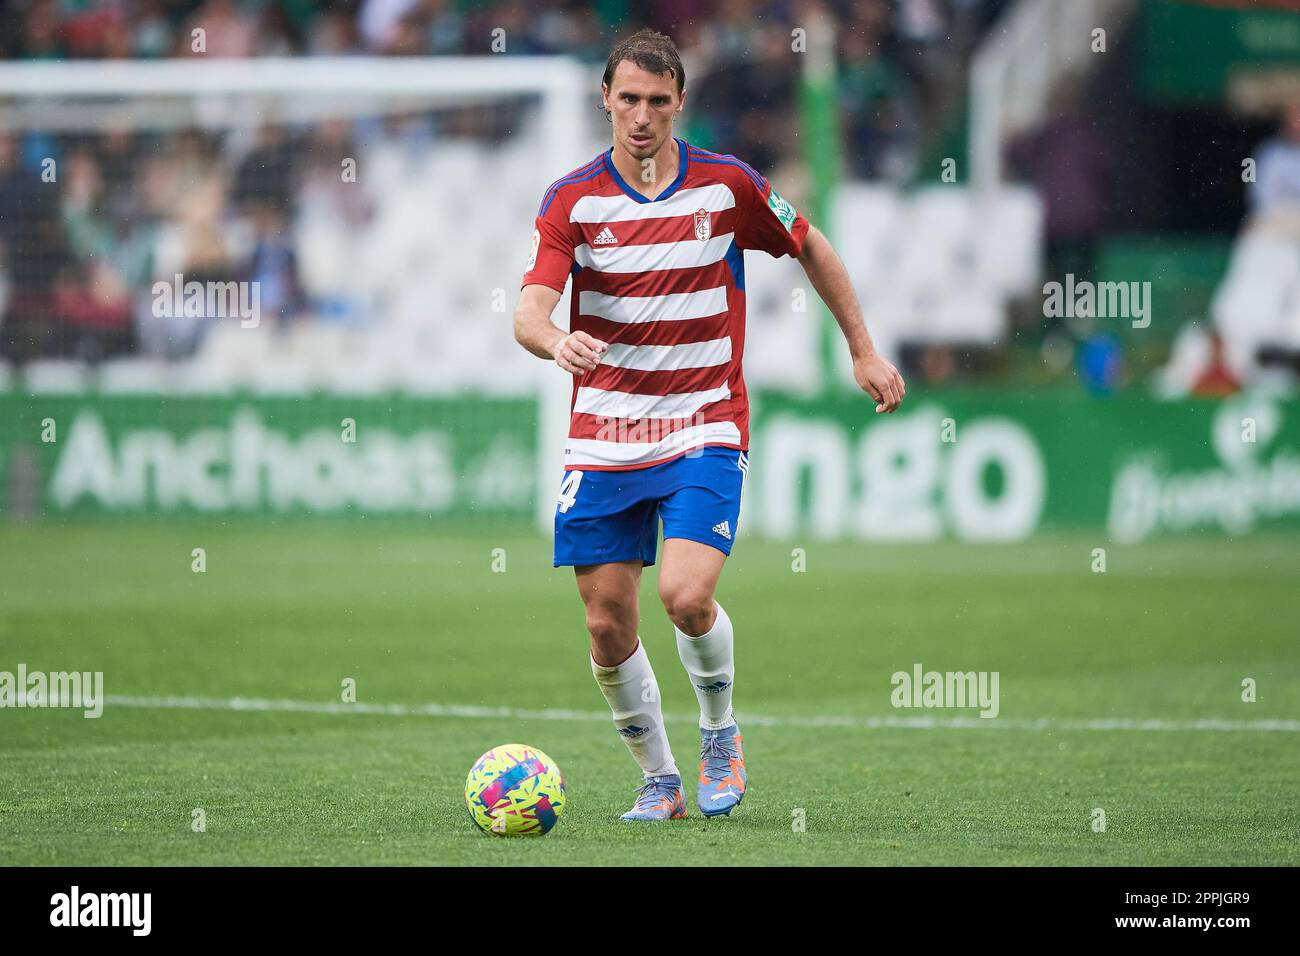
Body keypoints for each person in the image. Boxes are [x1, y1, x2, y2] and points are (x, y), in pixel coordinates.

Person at [513, 28, 905, 822]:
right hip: (605, 433)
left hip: (703, 421)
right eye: (629, 100)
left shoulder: (727, 186)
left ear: (680, 104)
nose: (643, 117)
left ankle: (720, 734)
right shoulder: (571, 200)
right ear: (606, 100)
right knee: (603, 623)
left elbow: (811, 245)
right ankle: (660, 782)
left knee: (685, 596)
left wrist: (862, 349)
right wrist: (557, 341)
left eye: (659, 102)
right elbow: (529, 309)